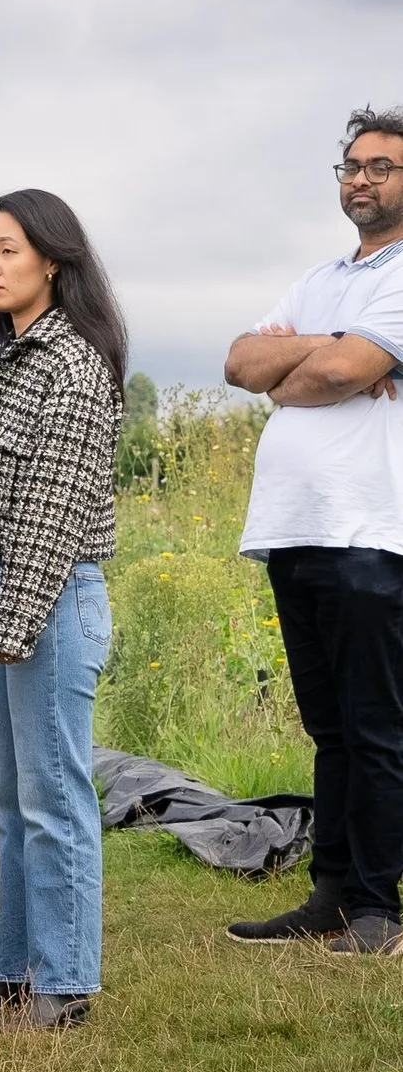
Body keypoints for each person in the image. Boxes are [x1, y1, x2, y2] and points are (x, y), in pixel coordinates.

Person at [0, 189, 126, 1031]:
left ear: (53, 259)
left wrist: (10, 626)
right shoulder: (5, 357)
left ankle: (64, 985)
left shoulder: (72, 364)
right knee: (8, 805)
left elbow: (51, 510)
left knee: (53, 801)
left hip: (45, 598)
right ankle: (14, 977)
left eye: (8, 248)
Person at [224, 106, 403, 956]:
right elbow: (238, 362)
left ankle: (377, 908)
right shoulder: (319, 277)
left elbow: (339, 368)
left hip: (368, 529)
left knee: (374, 726)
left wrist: (309, 359)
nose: (360, 179)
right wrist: (323, 352)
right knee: (327, 727)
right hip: (293, 529)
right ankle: (330, 893)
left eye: (380, 167)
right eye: (351, 166)